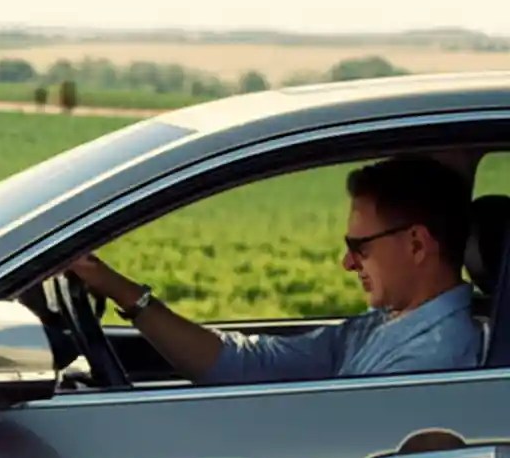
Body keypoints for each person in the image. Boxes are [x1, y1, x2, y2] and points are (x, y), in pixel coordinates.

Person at [67, 156, 482, 385]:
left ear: (416, 245)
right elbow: (249, 363)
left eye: (360, 247)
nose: (348, 263)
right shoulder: (384, 326)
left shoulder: (431, 360)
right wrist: (121, 290)